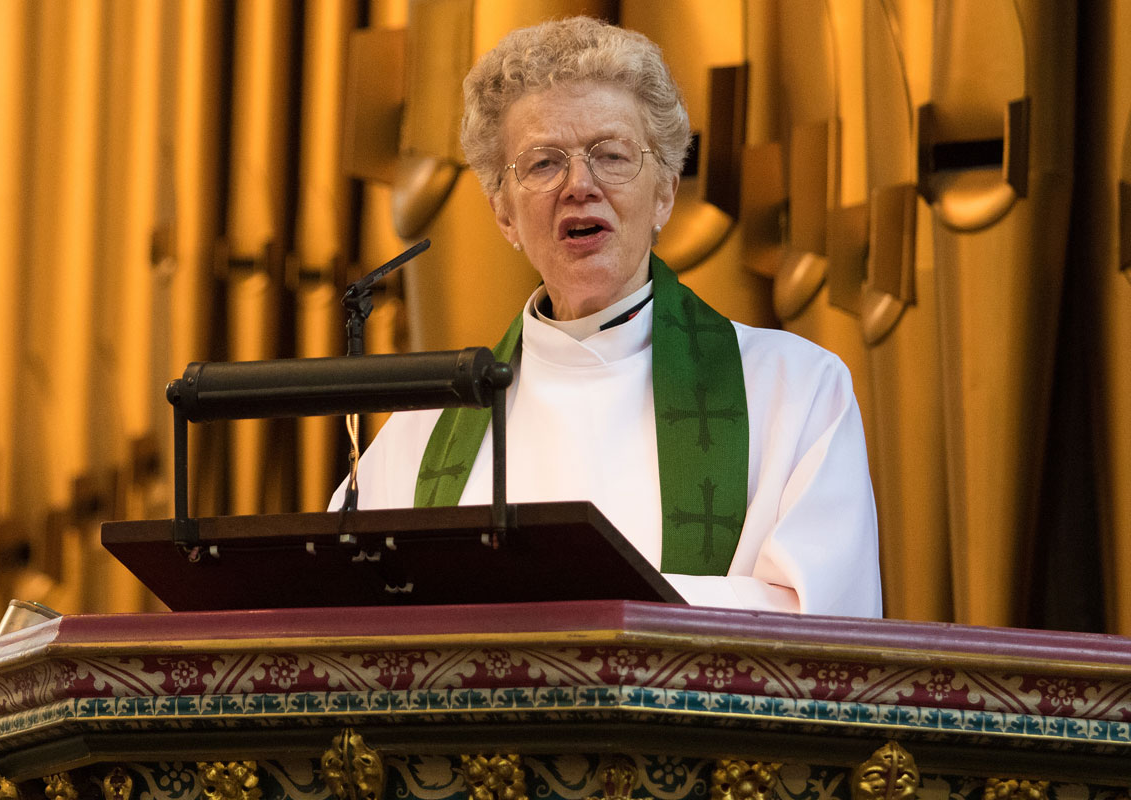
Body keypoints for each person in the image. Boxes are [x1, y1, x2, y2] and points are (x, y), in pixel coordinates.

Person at [331, 16, 881, 617]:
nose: (579, 185)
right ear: (504, 215)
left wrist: (555, 608)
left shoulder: (794, 390)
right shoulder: (430, 423)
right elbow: (344, 616)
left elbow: (826, 634)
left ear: (666, 192)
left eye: (611, 155)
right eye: (542, 164)